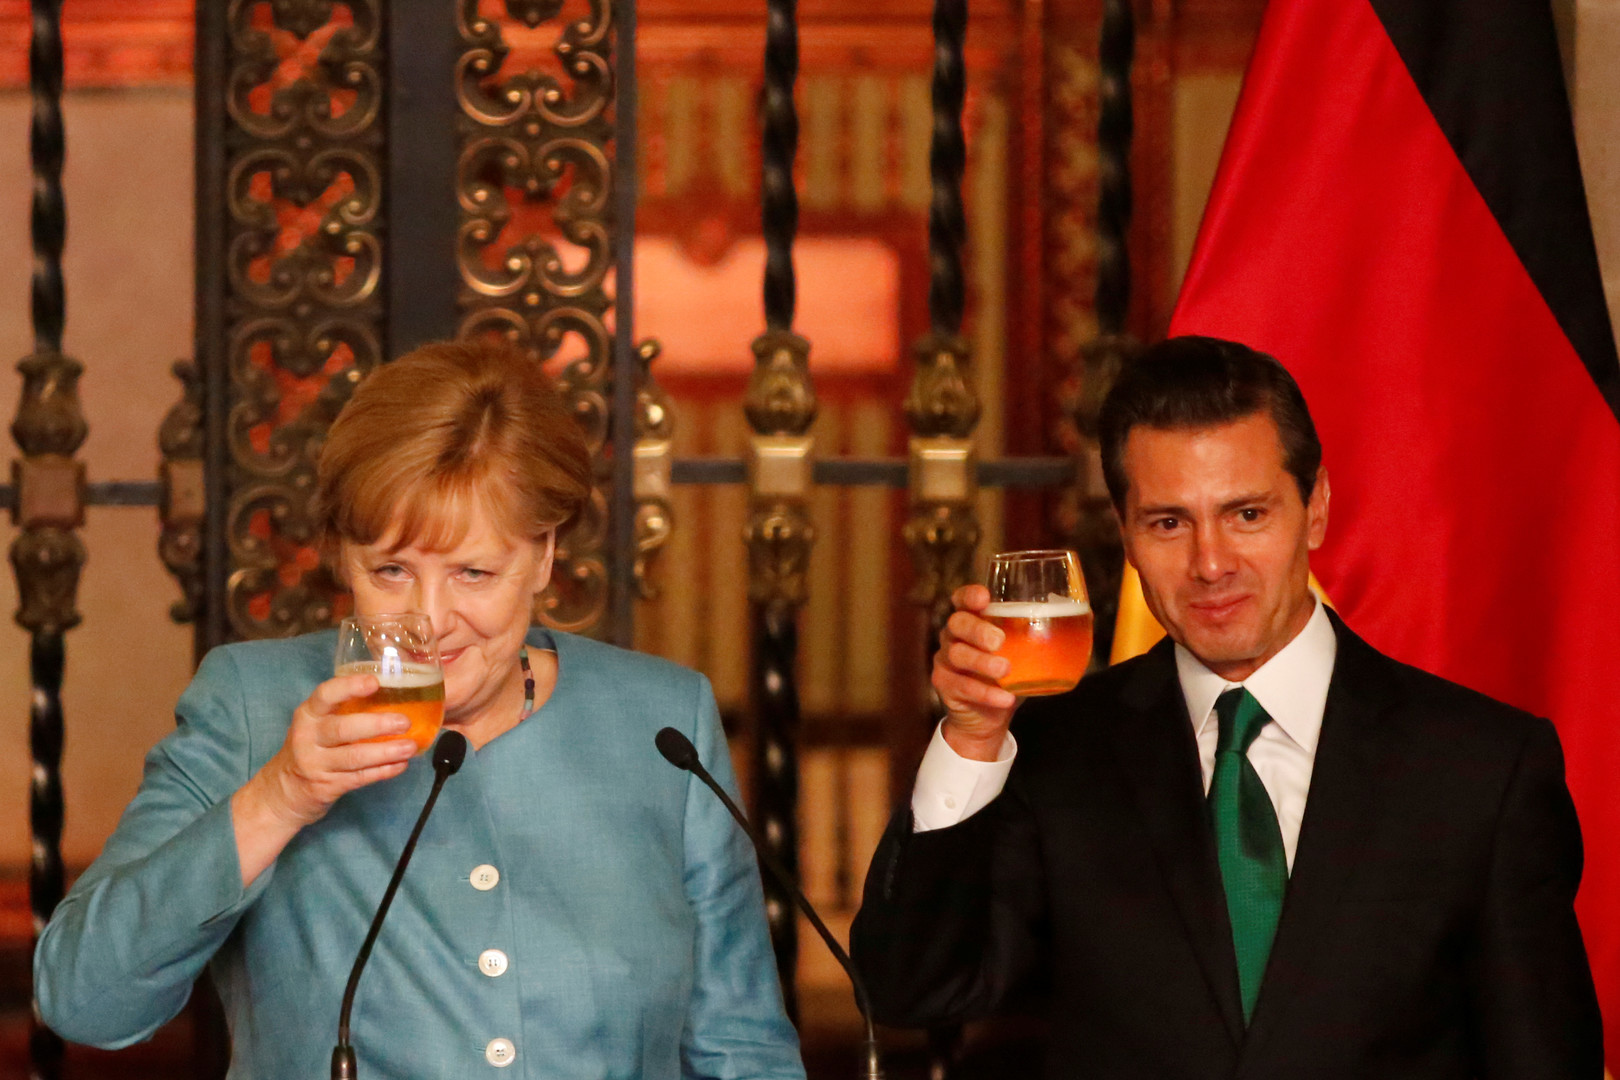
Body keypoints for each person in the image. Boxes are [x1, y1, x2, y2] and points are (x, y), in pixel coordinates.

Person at [35, 339, 805, 1080]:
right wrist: (279, 797)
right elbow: (82, 1000)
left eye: (473, 572)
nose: (429, 619)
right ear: (342, 555)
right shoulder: (252, 704)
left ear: (542, 555)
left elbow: (743, 1052)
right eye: (391, 570)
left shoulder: (662, 722)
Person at [851, 336, 1602, 1077]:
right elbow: (915, 986)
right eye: (1169, 523)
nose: (1211, 564)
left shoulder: (1479, 769)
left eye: (1246, 514)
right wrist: (972, 740)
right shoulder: (1056, 752)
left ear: (1315, 510)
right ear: (1126, 537)